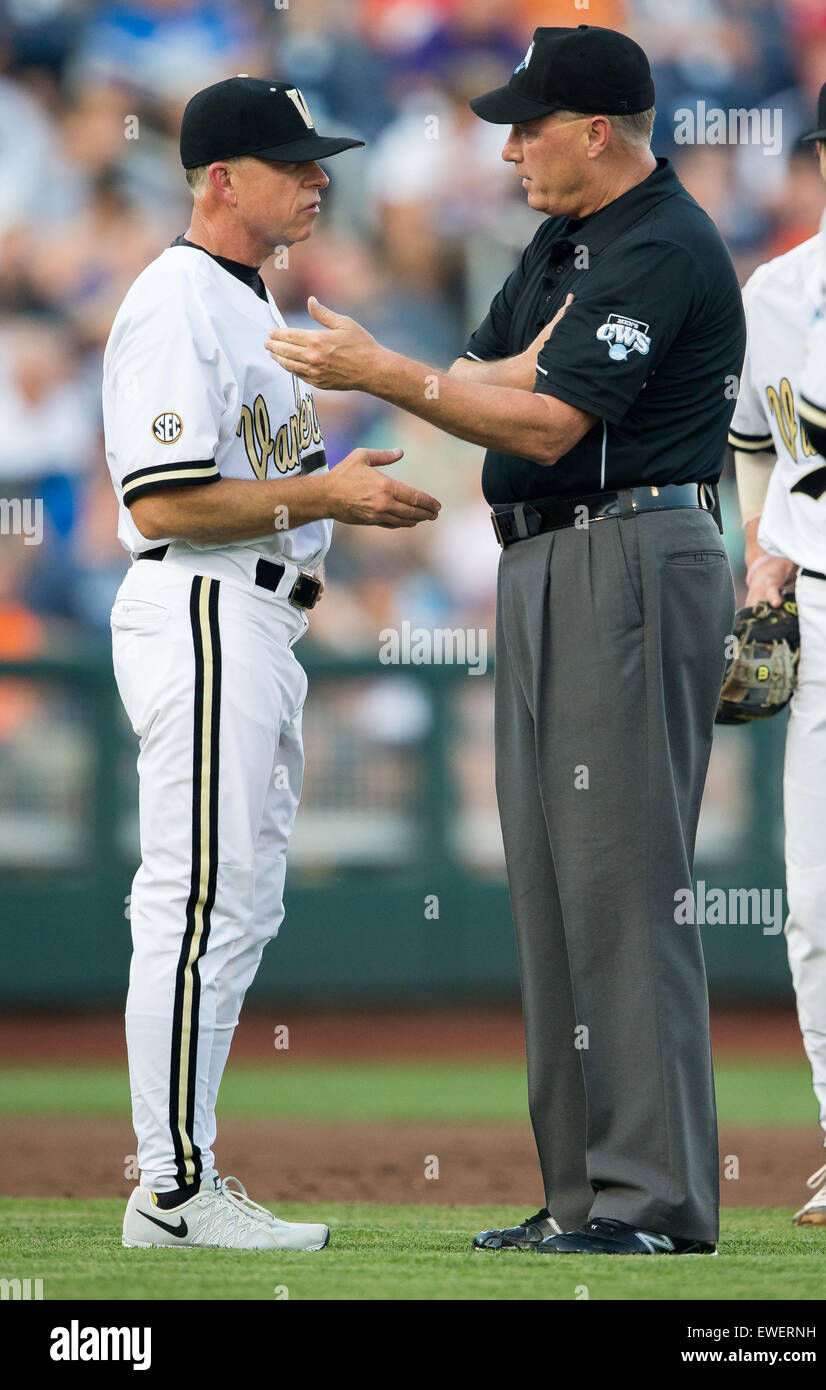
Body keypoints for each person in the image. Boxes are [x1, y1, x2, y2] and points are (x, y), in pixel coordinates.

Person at [267, 25, 744, 1255]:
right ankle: (584, 1193)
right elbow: (487, 371)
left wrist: (385, 370)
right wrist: (451, 382)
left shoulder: (661, 244)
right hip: (547, 556)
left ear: (597, 129)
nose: (510, 140)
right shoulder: (561, 242)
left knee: (620, 887)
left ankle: (649, 1203)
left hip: (631, 548)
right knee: (547, 882)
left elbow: (534, 419)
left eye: (530, 122)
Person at [103, 76, 440, 1251]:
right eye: (293, 162)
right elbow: (163, 498)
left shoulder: (251, 305)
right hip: (201, 606)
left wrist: (337, 484)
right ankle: (173, 1189)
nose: (318, 178)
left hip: (257, 619)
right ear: (219, 178)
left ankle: (180, 1178)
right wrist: (323, 489)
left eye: (319, 161)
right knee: (196, 901)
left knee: (237, 906)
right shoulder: (175, 299)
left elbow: (251, 488)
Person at [729, 70, 826, 1227]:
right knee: (819, 899)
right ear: (818, 162)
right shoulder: (771, 294)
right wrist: (762, 547)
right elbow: (752, 449)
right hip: (825, 611)